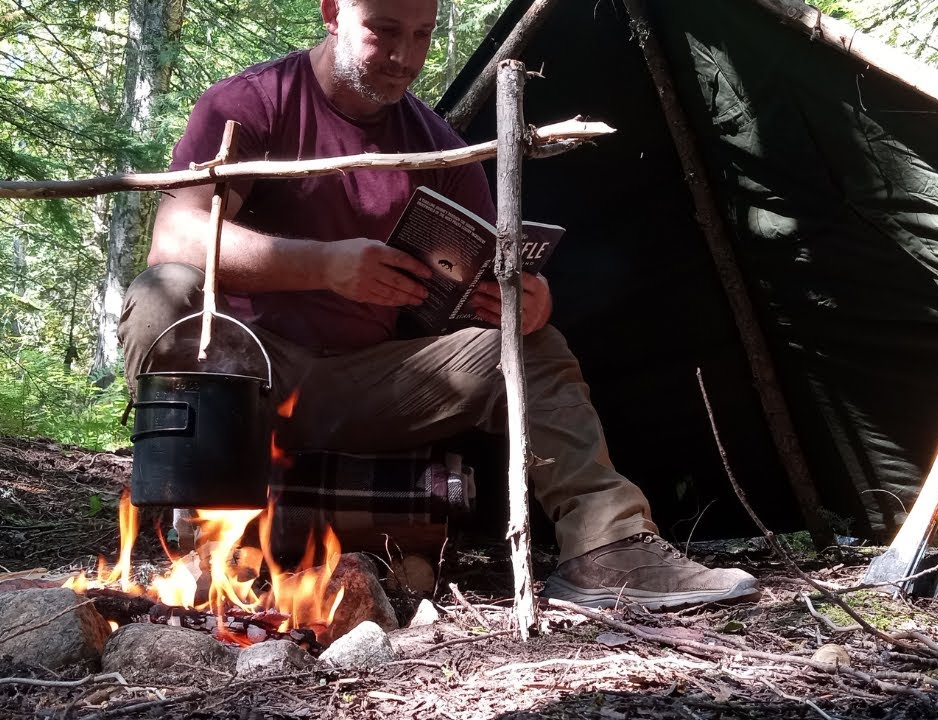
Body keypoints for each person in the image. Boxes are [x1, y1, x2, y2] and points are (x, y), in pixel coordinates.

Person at [117, 0, 759, 610]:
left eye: (421, 34)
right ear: (333, 13)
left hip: (372, 386)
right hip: (246, 377)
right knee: (161, 294)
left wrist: (526, 301)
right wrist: (326, 265)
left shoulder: (438, 144)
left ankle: (608, 548)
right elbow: (174, 238)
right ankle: (199, 531)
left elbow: (488, 270)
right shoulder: (252, 104)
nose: (404, 56)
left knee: (530, 342)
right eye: (384, 30)